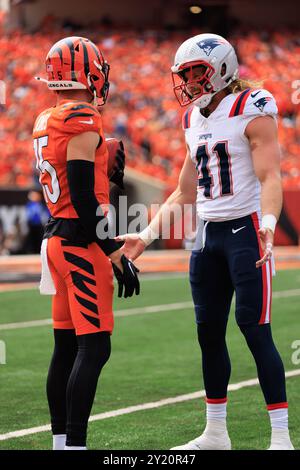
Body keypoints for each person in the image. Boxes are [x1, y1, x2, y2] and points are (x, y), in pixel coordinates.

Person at [116, 33, 294, 450]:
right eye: (185, 75)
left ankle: (281, 438)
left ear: (223, 69)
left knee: (256, 330)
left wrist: (268, 221)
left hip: (246, 232)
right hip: (207, 237)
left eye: (197, 73)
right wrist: (144, 236)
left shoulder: (253, 105)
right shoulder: (193, 118)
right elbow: (184, 191)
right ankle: (216, 433)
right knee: (208, 334)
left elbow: (270, 175)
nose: (190, 83)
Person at [33, 36, 140, 450]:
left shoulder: (47, 116)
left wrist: (103, 172)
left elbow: (75, 180)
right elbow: (80, 196)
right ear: (89, 71)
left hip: (56, 239)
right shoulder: (81, 115)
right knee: (94, 347)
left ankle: (61, 443)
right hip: (80, 243)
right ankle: (75, 444)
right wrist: (113, 249)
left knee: (65, 346)